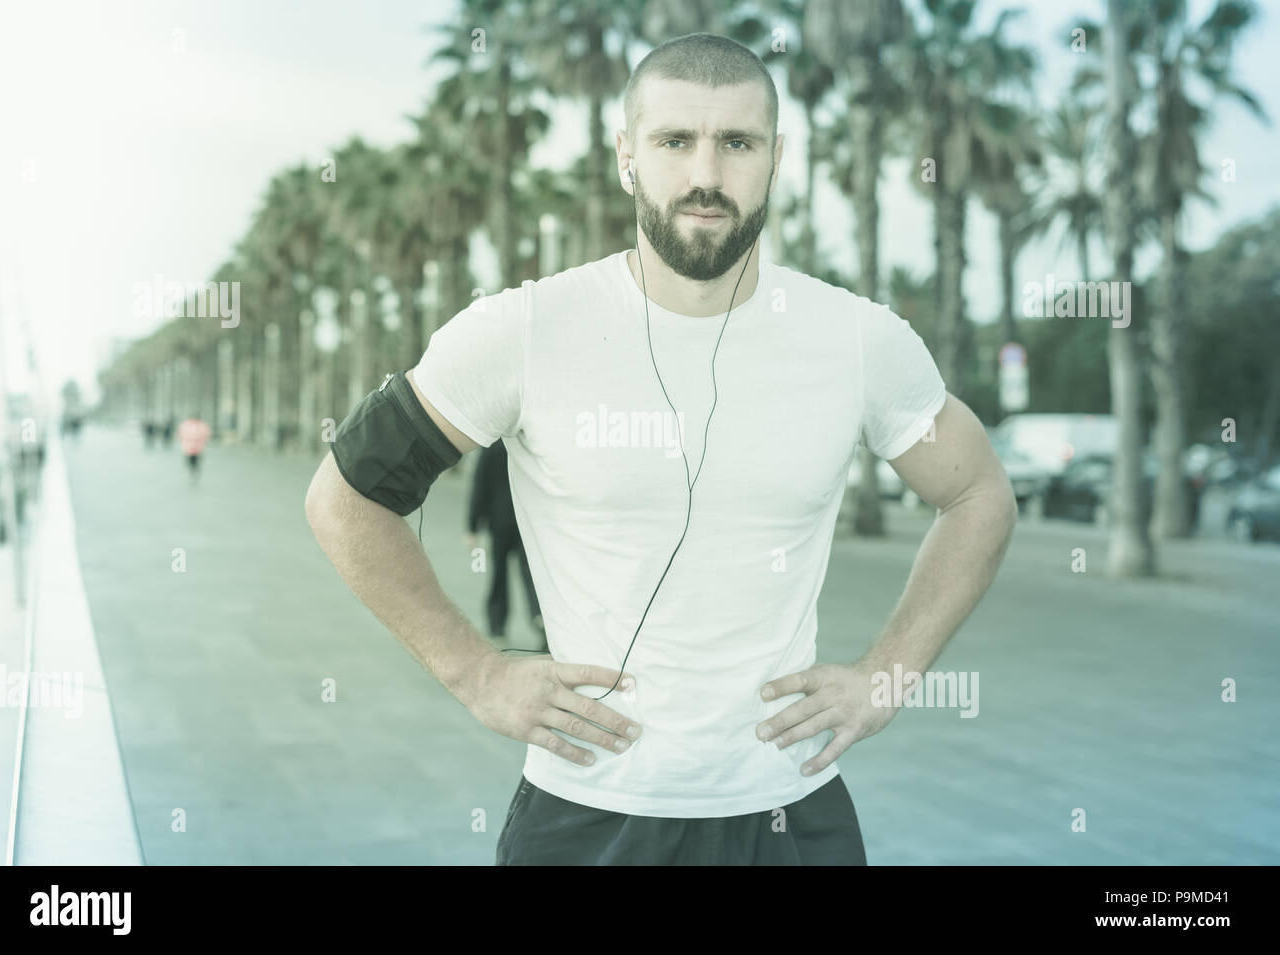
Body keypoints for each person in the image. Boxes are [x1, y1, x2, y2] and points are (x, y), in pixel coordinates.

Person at [305, 33, 1017, 866]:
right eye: (675, 140)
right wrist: (476, 672)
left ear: (776, 158)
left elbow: (978, 496)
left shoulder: (857, 340)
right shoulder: (525, 331)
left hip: (792, 815)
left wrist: (886, 676)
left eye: (737, 143)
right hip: (587, 816)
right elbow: (345, 495)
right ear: (627, 157)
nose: (705, 174)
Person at [468, 439, 546, 646]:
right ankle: (539, 616)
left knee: (499, 576)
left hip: (499, 522)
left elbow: (480, 484)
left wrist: (473, 526)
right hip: (527, 522)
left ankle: (497, 626)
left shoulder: (494, 446)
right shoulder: (530, 447)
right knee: (532, 575)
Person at [177, 412, 211, 481]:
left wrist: (204, 441)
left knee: (197, 460)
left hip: (198, 447)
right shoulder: (186, 425)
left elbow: (206, 434)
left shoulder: (202, 425)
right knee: (190, 460)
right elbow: (181, 434)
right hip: (188, 447)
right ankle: (192, 470)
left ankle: (195, 470)